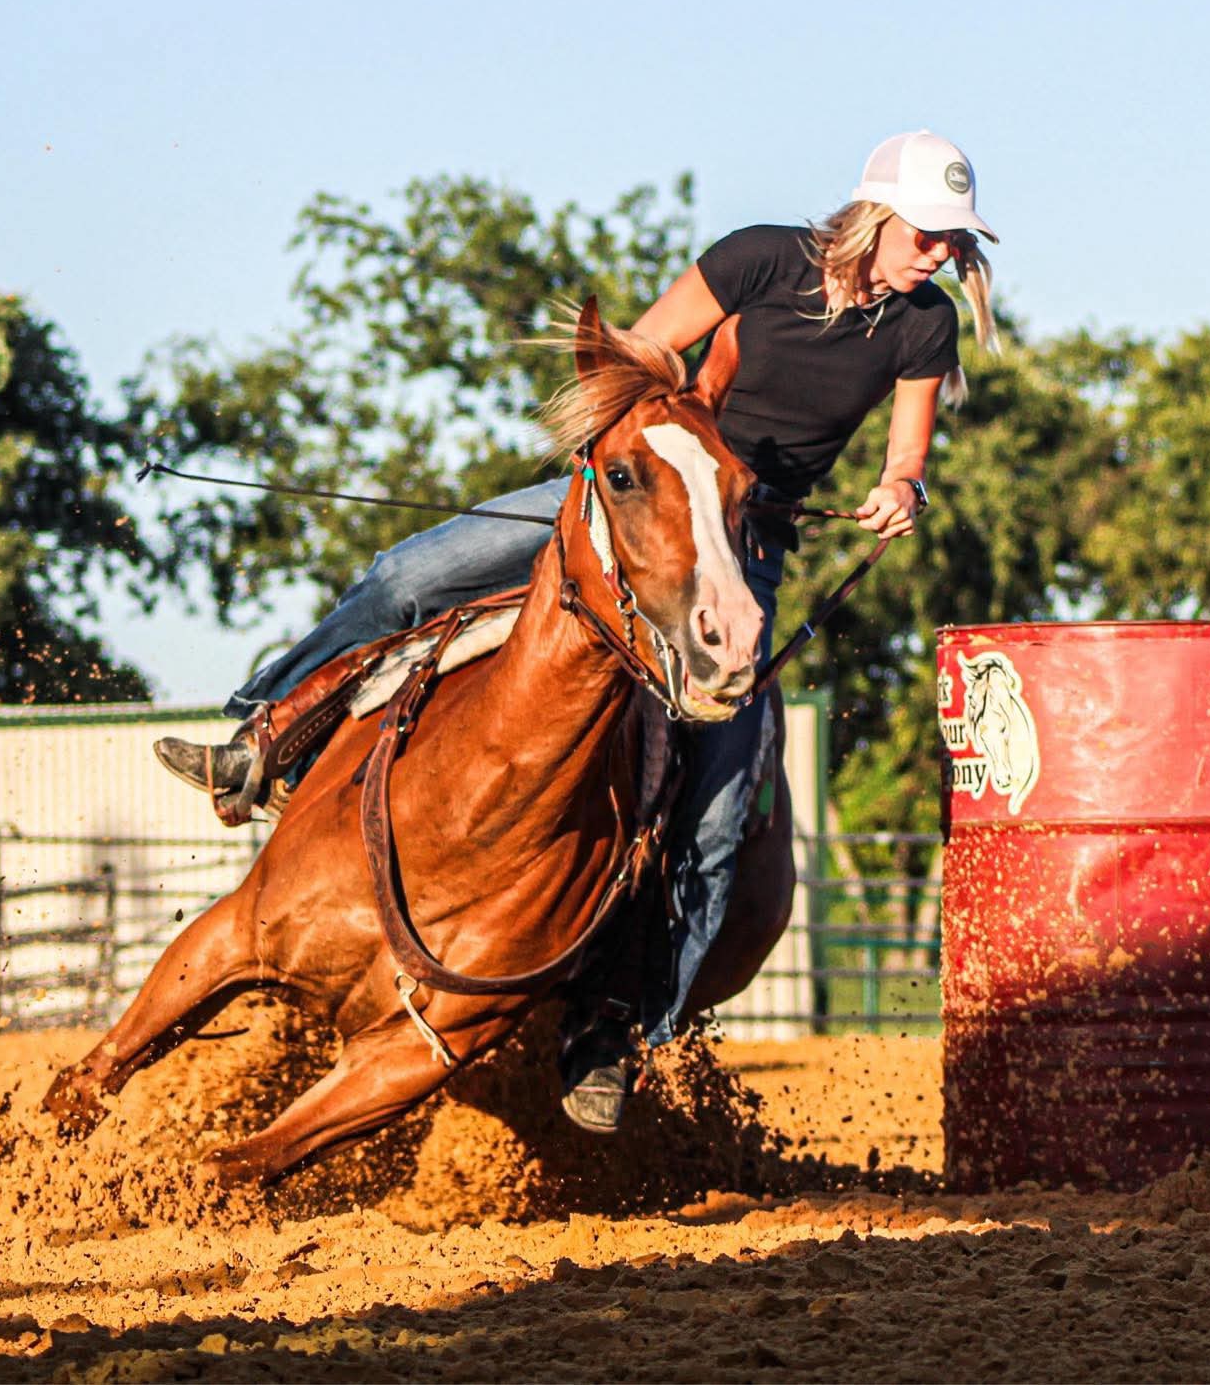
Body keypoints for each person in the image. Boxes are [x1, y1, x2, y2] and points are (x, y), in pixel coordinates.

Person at [156, 129, 1001, 1128]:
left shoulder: (922, 326)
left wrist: (899, 489)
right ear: (874, 212)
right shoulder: (759, 259)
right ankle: (261, 735)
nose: (939, 253)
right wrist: (661, 458)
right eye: (928, 234)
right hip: (630, 497)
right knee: (406, 575)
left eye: (953, 242)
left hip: (744, 543)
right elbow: (637, 361)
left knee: (722, 809)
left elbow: (907, 450)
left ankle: (618, 1029)